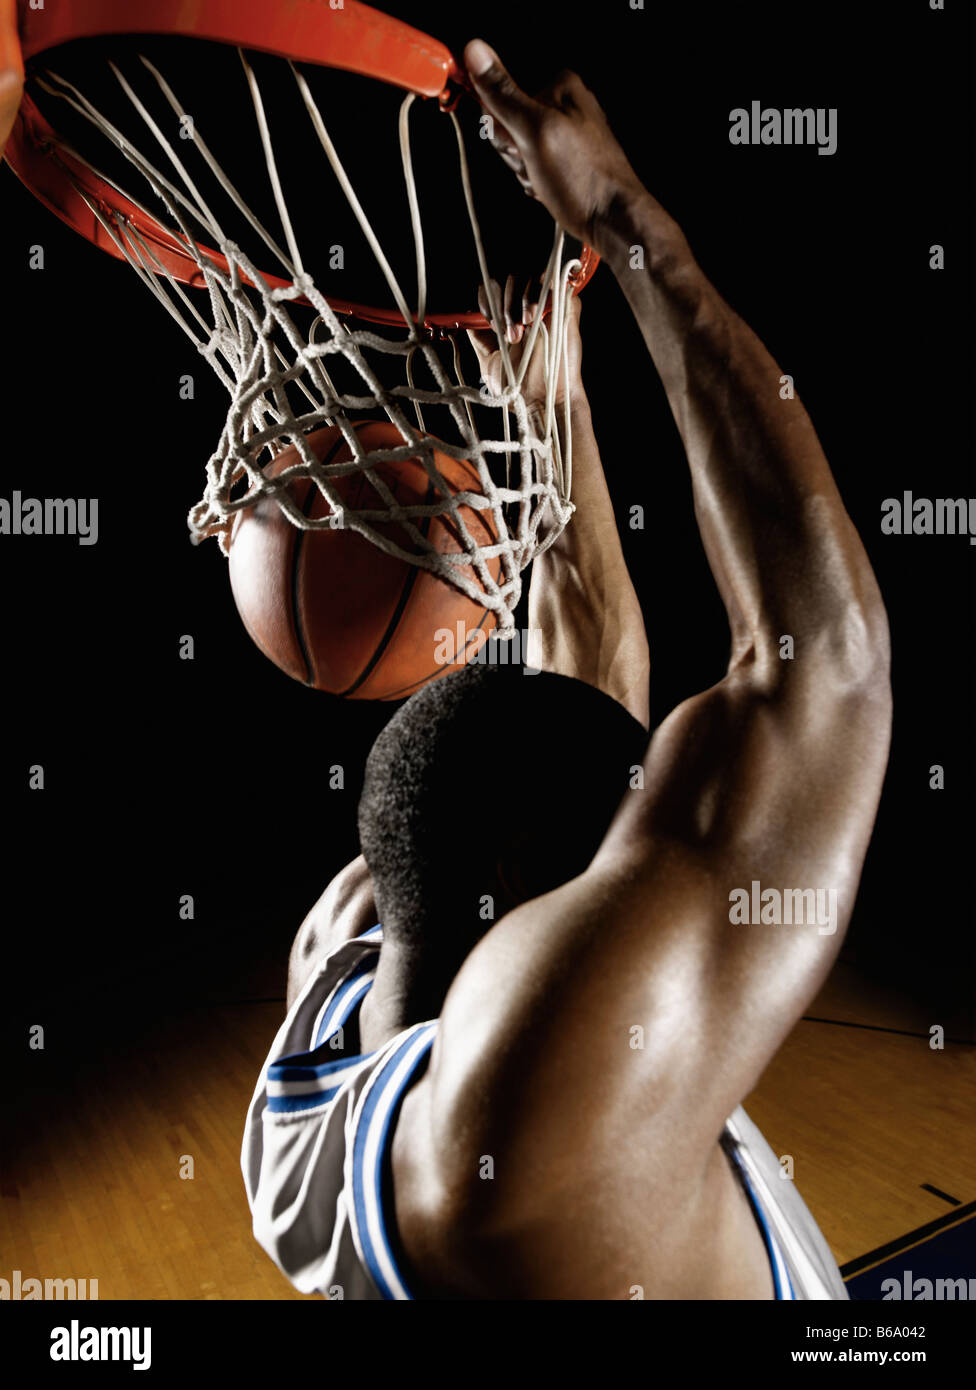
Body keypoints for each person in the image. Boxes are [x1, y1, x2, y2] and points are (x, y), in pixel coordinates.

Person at [242, 38, 892, 1300]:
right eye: (634, 808)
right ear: (526, 883)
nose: (651, 807)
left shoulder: (339, 997)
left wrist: (542, 372)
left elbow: (582, 672)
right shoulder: (532, 1142)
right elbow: (829, 672)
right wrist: (626, 220)